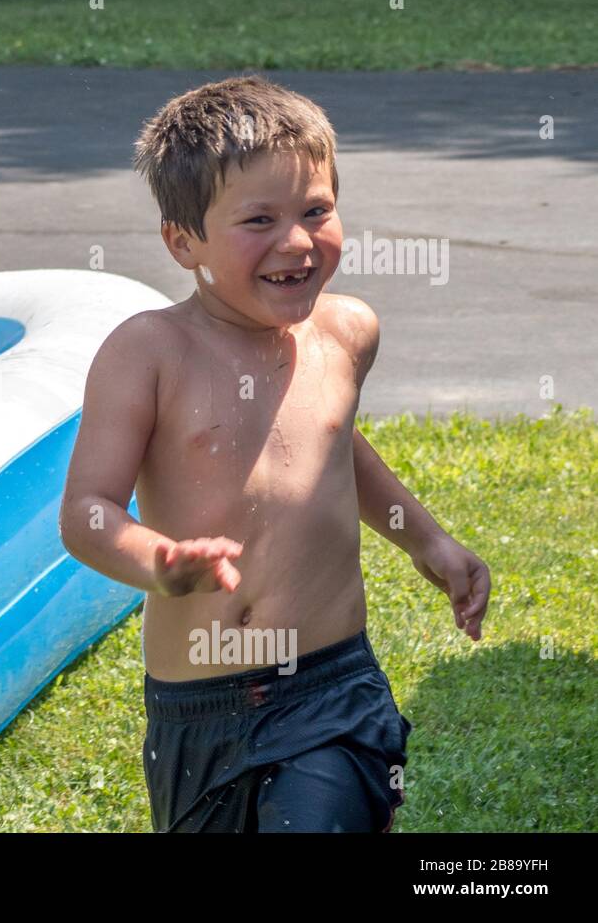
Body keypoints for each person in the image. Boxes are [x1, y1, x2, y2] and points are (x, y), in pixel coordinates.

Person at [59, 75, 491, 832]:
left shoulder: (347, 331)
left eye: (316, 210)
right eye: (258, 219)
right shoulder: (150, 352)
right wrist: (156, 560)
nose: (296, 241)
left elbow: (333, 446)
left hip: (331, 683)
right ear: (182, 241)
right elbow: (86, 512)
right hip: (200, 705)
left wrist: (429, 540)